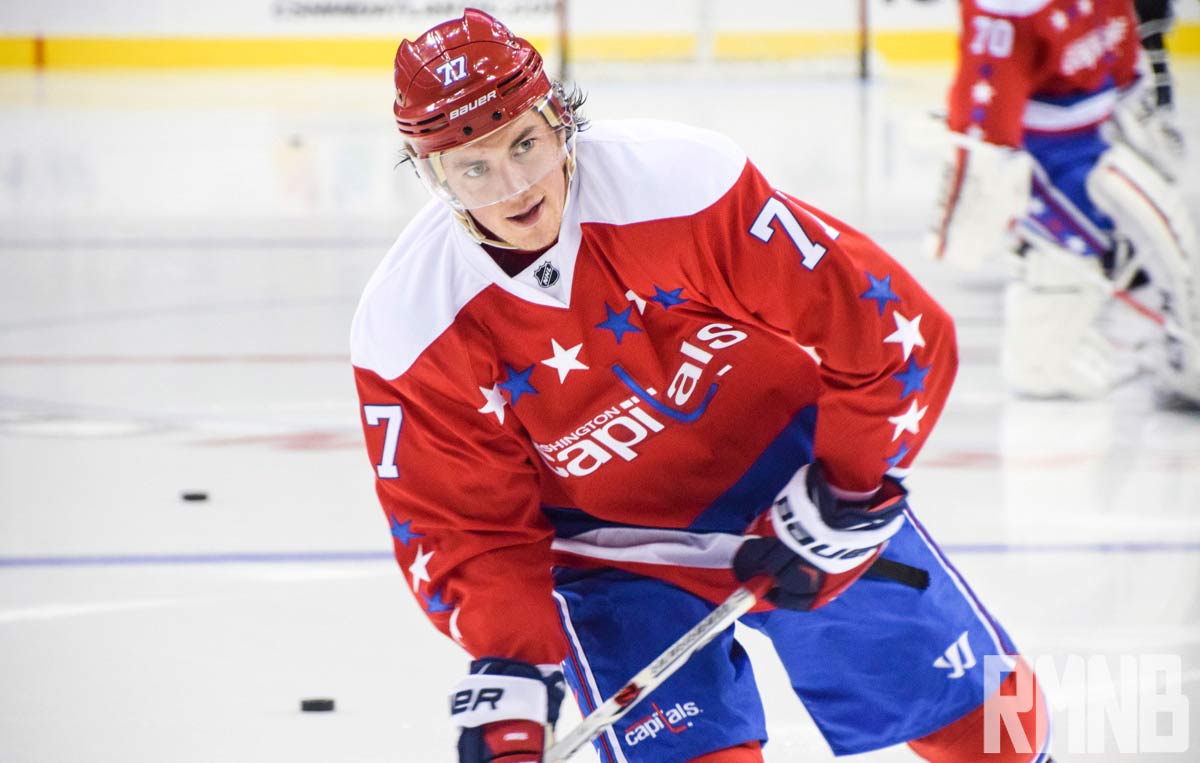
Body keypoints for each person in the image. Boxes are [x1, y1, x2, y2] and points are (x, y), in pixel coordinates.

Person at [353, 8, 1049, 762]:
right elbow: (464, 525)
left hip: (796, 487)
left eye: (525, 143)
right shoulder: (406, 324)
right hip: (612, 557)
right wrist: (513, 665)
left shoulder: (681, 184)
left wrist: (848, 491)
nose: (515, 186)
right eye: (474, 167)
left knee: (1000, 730)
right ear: (432, 176)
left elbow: (887, 329)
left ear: (559, 120)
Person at [928, 0, 1200, 403]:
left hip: (1102, 140)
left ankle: (1184, 350)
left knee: (1173, 236)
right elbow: (984, 114)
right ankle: (1056, 351)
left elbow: (1123, 57)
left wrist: (1135, 116)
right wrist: (977, 188)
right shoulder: (1009, 17)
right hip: (1049, 162)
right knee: (1055, 300)